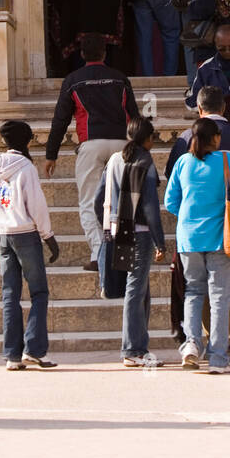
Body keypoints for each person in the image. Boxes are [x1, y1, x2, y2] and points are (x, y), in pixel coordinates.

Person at [165, 85, 230, 366]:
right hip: (222, 236)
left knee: (194, 292)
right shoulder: (227, 159)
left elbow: (171, 201)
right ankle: (219, 356)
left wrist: (189, 214)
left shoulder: (183, 160)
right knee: (221, 294)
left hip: (188, 238)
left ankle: (192, 345)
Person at [44, 31, 138, 271]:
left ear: (82, 54)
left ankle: (98, 254)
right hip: (121, 144)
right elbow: (135, 116)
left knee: (88, 202)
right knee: (123, 199)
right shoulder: (119, 79)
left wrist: (51, 154)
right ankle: (123, 252)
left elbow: (60, 120)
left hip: (91, 145)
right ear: (105, 53)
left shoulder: (73, 80)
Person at [0, 120, 59, 370]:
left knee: (10, 295)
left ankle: (12, 356)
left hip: (4, 234)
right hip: (26, 234)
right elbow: (36, 205)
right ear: (25, 141)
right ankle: (35, 350)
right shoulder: (26, 167)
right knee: (39, 292)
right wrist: (48, 236)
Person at [94, 116, 166, 367]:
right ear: (148, 139)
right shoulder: (145, 161)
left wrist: (108, 224)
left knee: (140, 289)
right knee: (136, 289)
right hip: (140, 232)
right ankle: (132, 349)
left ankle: (139, 346)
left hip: (117, 228)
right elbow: (149, 207)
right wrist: (160, 241)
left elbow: (98, 199)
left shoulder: (114, 160)